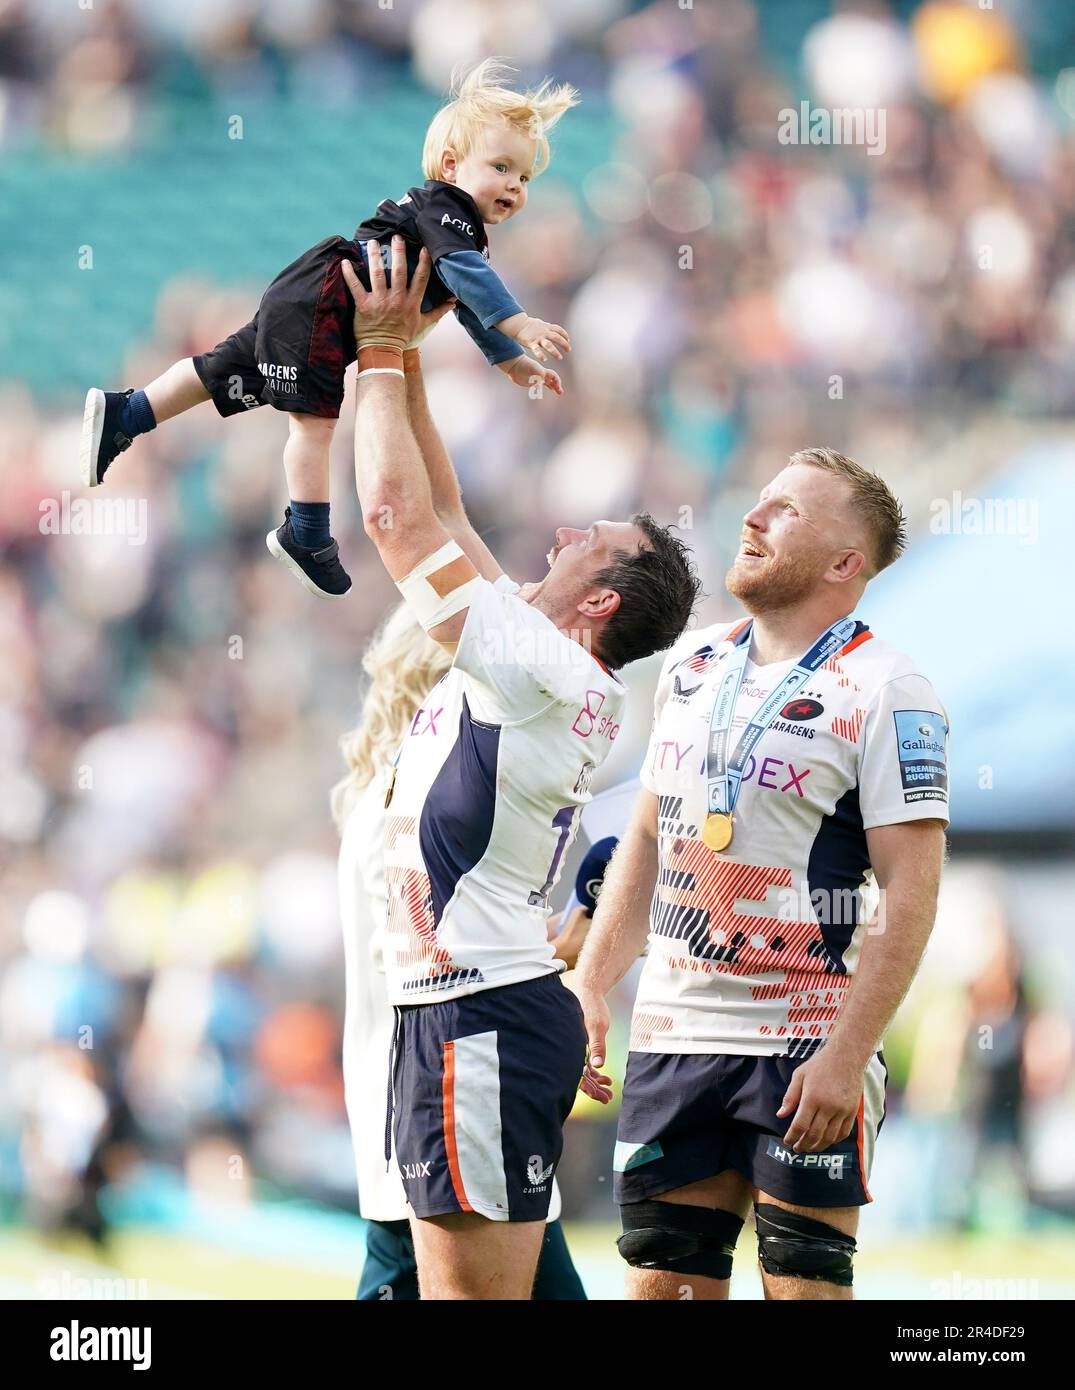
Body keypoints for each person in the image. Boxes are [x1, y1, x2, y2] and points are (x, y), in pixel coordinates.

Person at [340, 235, 700, 1299]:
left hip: (478, 1009)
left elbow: (395, 520)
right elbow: (443, 511)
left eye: (598, 539)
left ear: (599, 603)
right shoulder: (542, 660)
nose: (569, 526)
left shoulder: (546, 668)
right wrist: (407, 363)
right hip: (465, 1006)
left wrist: (373, 350)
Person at [574, 448, 950, 1300]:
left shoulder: (891, 688)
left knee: (804, 1288)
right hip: (673, 1039)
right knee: (663, 1288)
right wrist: (593, 980)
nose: (751, 517)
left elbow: (911, 891)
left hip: (802, 1045)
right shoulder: (689, 665)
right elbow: (645, 839)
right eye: (760, 499)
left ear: (843, 563)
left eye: (784, 510)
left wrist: (847, 1054)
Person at [80, 59, 575, 598]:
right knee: (313, 424)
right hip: (327, 303)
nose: (515, 185)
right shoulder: (449, 208)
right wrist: (521, 323)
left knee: (218, 370)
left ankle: (127, 412)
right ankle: (307, 532)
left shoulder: (461, 232)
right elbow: (469, 280)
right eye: (502, 167)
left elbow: (466, 302)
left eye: (524, 177)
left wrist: (509, 359)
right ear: (452, 166)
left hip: (310, 295)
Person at [332, 602, 586, 1300]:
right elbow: (448, 952)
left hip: (428, 1103)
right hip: (445, 1098)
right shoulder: (422, 802)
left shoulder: (389, 793)